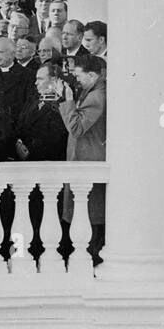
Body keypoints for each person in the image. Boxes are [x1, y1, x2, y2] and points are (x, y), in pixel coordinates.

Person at [59, 53, 107, 260]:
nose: (76, 79)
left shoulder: (96, 96)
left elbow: (76, 128)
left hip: (89, 161)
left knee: (91, 218)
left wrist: (68, 101)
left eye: (79, 75)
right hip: (86, 159)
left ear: (92, 75)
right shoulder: (92, 91)